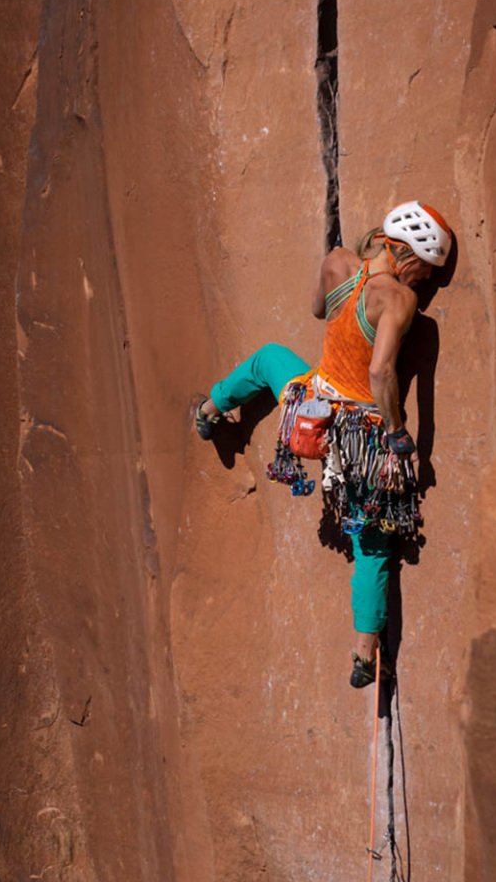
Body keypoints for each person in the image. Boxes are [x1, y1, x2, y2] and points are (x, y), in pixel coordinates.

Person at [192, 201, 452, 689]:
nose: (425, 281)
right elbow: (380, 371)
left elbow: (318, 310)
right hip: (358, 435)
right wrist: (398, 433)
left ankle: (209, 411)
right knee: (372, 544)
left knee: (270, 358)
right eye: (425, 269)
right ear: (407, 253)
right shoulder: (398, 300)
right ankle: (364, 655)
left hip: (309, 406)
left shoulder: (337, 263)